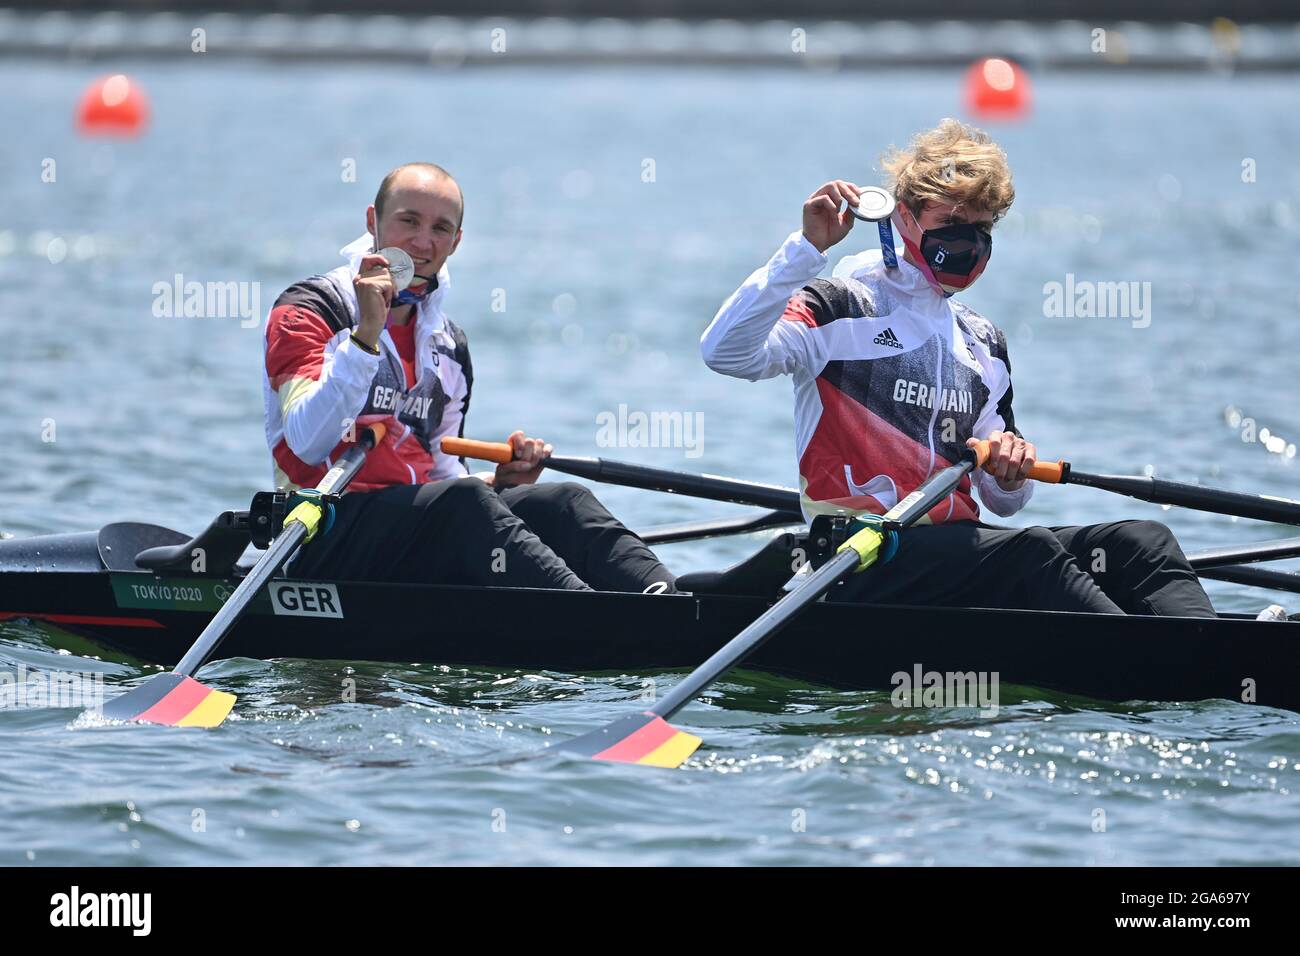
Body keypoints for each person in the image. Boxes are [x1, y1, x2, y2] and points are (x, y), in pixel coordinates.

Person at [700, 119, 1221, 617]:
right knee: (1035, 554)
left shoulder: (983, 341)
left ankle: (1213, 650)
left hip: (952, 557)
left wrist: (1012, 468)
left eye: (981, 229)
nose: (968, 242)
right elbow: (724, 352)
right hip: (860, 558)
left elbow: (1004, 502)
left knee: (1141, 541)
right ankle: (1160, 660)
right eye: (951, 224)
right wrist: (805, 249)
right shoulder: (838, 306)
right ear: (903, 217)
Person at [263, 162, 675, 593]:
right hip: (321, 531)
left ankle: (676, 604)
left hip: (415, 531)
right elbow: (306, 443)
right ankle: (599, 618)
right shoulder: (307, 311)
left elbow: (441, 476)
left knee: (563, 502)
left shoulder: (447, 345)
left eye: (440, 228)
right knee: (464, 505)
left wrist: (501, 481)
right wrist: (366, 336)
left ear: (455, 242)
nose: (423, 242)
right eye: (408, 221)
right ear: (373, 222)